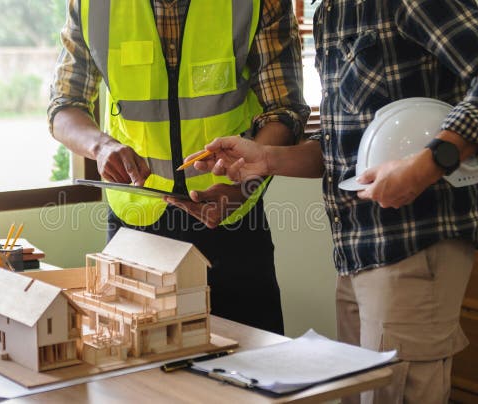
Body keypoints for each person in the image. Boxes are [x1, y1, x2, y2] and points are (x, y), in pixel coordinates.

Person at [177, 0, 478, 402]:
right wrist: (265, 159)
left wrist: (428, 164)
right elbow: (342, 150)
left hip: (412, 241)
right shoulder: (329, 14)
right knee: (358, 393)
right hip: (356, 250)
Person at [48, 0, 310, 335]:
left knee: (253, 360)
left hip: (231, 222)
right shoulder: (93, 5)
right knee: (133, 362)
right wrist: (100, 146)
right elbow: (64, 105)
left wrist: (242, 188)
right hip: (135, 228)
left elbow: (284, 111)